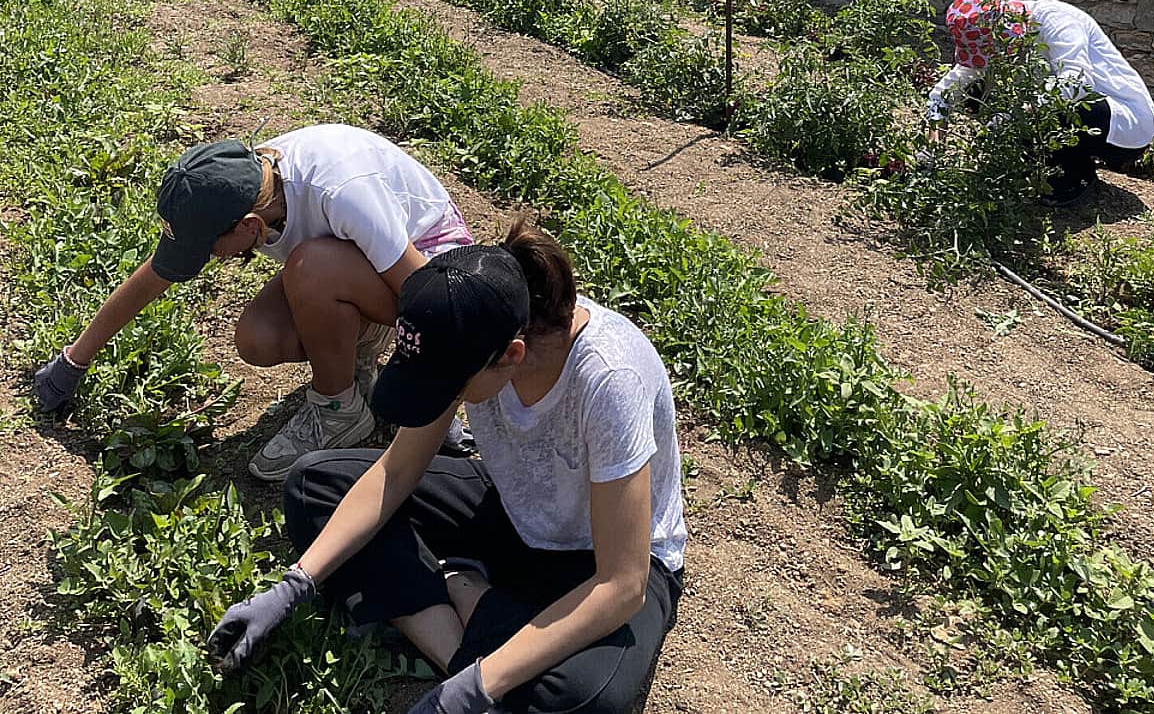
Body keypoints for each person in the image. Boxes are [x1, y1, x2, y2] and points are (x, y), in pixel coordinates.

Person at [206, 220, 688, 714]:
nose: (444, 399)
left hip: (600, 555)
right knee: (315, 487)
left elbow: (621, 585)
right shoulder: (468, 332)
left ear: (511, 355)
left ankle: (467, 604)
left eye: (450, 386)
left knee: (586, 700)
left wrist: (474, 689)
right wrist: (293, 586)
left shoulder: (608, 379)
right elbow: (396, 473)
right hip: (513, 511)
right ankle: (473, 643)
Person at [31, 123, 473, 481]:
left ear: (247, 227)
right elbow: (153, 277)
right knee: (260, 337)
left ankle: (338, 410)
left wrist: (430, 395)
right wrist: (74, 361)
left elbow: (433, 294)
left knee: (310, 269)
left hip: (432, 263)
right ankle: (356, 369)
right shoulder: (243, 183)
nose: (206, 259)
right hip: (356, 267)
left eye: (208, 249)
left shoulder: (339, 192)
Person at [927, 0, 1154, 206]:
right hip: (1085, 119)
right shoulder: (991, 32)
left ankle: (1076, 177)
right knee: (976, 93)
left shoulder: (1057, 21)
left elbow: (1076, 84)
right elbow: (944, 93)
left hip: (1125, 124)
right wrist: (932, 150)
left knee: (1058, 106)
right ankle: (1048, 164)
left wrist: (1010, 118)